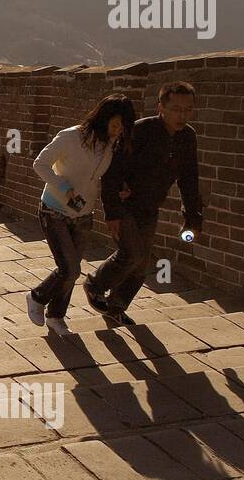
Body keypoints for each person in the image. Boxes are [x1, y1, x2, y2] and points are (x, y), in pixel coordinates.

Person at [85, 81, 204, 326]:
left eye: (187, 110)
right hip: (125, 204)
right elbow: (112, 173)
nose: (182, 115)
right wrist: (112, 212)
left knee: (142, 265)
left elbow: (189, 180)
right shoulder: (140, 131)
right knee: (132, 254)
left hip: (150, 207)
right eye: (176, 109)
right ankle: (95, 284)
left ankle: (116, 306)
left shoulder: (187, 137)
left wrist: (192, 219)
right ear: (161, 107)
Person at [25, 95, 136, 337]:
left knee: (71, 271)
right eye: (115, 124)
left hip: (84, 214)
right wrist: (64, 188)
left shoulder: (109, 145)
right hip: (54, 210)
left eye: (122, 127)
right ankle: (36, 296)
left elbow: (99, 177)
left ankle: (56, 317)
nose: (118, 131)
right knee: (70, 269)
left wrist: (121, 188)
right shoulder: (70, 137)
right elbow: (40, 164)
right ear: (103, 118)